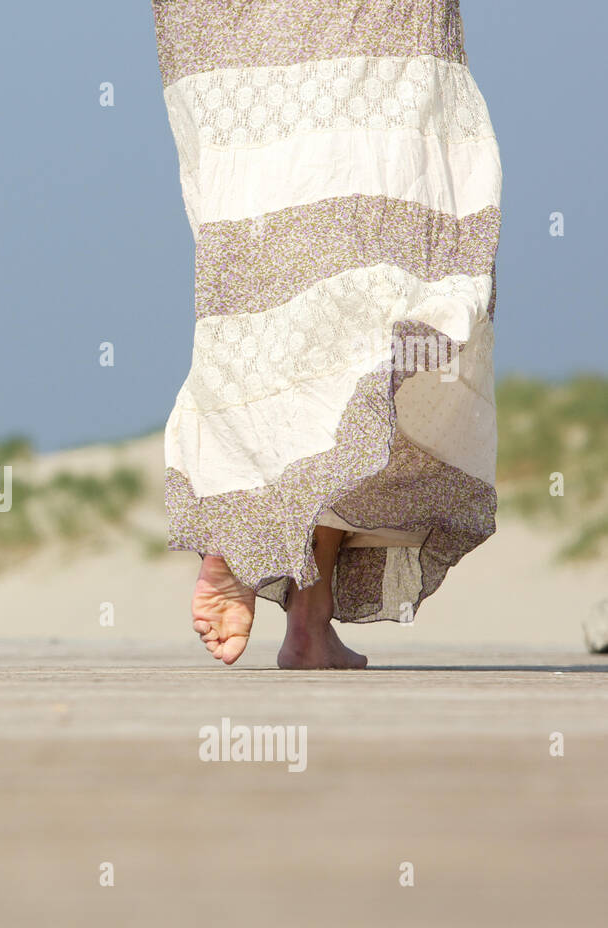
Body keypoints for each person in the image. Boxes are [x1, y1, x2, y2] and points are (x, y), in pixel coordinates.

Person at [151, 0, 502, 668]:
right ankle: (259, 545)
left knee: (275, 269)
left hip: (233, 28)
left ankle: (294, 596)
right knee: (397, 266)